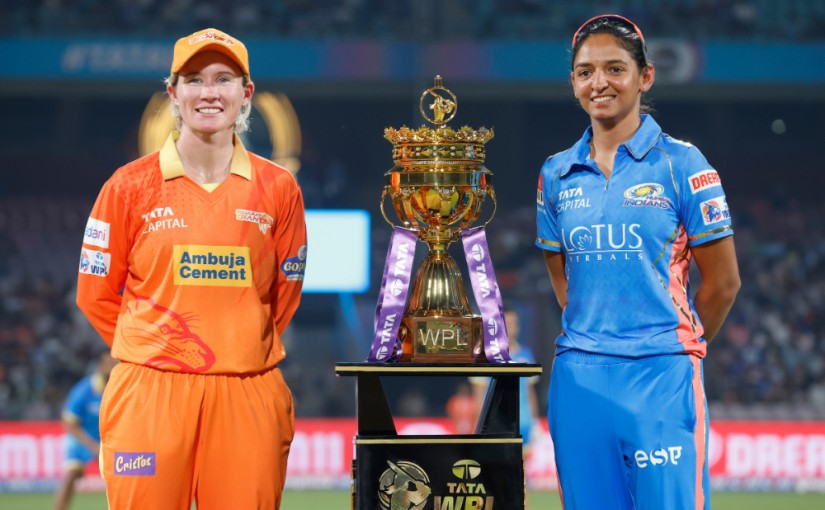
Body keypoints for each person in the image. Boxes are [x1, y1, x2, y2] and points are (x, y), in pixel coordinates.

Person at [75, 28, 307, 509]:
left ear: (246, 94)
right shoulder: (126, 186)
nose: (208, 92)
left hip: (249, 390)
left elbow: (284, 294)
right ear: (172, 93)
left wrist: (235, 346)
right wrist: (156, 349)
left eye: (223, 79)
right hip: (148, 393)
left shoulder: (279, 187)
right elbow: (94, 294)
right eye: (194, 79)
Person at [535, 15, 740, 510]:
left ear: (644, 77)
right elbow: (566, 282)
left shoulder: (684, 165)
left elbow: (724, 284)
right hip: (579, 378)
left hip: (660, 376)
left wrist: (672, 348)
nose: (599, 82)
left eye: (614, 68)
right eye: (585, 72)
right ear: (574, 83)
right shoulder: (556, 174)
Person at [53, 350, 118, 510]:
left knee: (122, 477)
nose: (111, 366)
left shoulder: (119, 386)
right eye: (107, 363)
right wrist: (92, 446)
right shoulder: (84, 389)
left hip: (109, 439)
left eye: (114, 363)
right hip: (83, 438)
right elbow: (69, 422)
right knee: (71, 475)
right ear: (100, 365)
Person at [471, 308, 541, 454]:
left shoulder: (526, 354)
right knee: (498, 467)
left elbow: (530, 392)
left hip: (524, 422)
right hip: (496, 423)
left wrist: (535, 422)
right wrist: (480, 425)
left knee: (522, 468)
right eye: (507, 323)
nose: (511, 327)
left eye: (514, 323)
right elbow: (478, 393)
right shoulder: (485, 356)